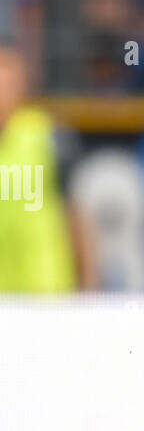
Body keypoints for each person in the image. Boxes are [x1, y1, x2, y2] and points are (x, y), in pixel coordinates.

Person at [0, 45, 96, 292]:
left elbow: (76, 214)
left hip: (46, 295)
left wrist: (89, 285)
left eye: (9, 80)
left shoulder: (49, 136)